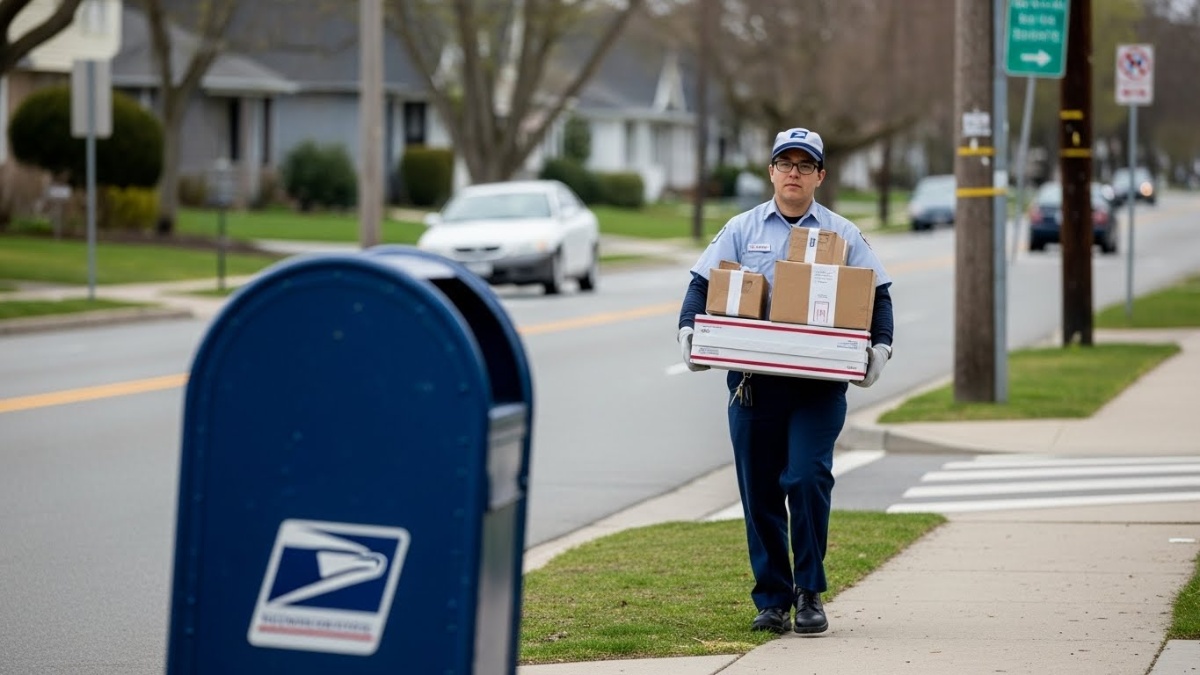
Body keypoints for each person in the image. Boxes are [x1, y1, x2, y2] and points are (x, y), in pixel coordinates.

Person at [676, 127, 894, 635]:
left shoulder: (843, 234)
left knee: (806, 477)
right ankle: (772, 598)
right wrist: (690, 332)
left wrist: (879, 348)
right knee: (760, 492)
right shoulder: (740, 228)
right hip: (753, 386)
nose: (793, 173)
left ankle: (810, 592)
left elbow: (878, 295)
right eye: (784, 163)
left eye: (804, 165)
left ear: (820, 175)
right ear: (771, 171)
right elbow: (700, 285)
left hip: (818, 388)